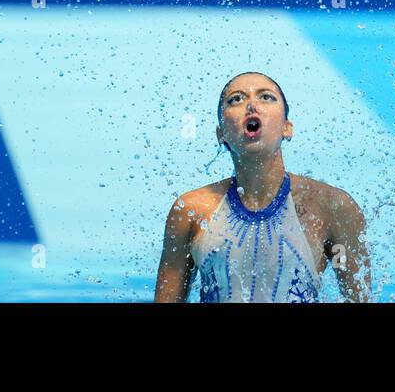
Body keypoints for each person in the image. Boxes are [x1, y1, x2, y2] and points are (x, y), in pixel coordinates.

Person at [153, 72, 371, 302]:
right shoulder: (191, 212)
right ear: (222, 134)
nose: (251, 106)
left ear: (287, 128)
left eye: (266, 97)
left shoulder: (333, 208)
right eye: (236, 99)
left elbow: (359, 298)